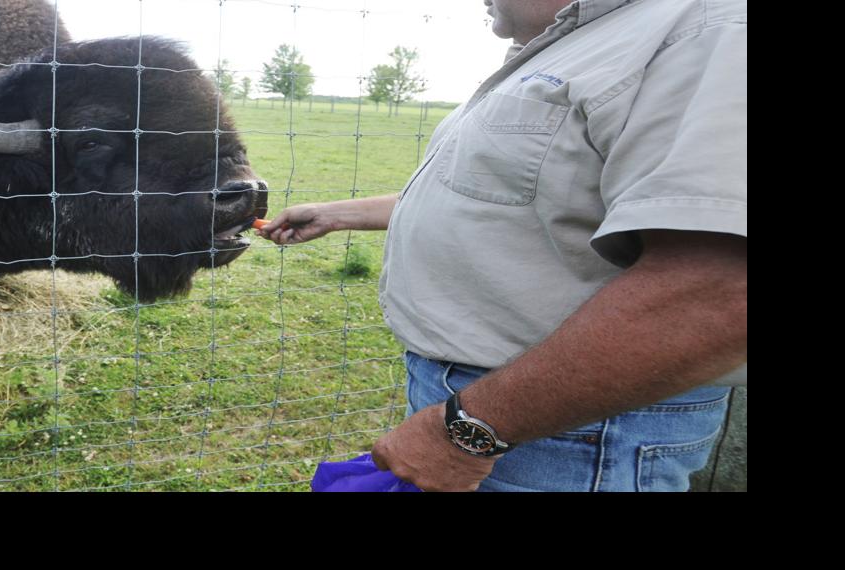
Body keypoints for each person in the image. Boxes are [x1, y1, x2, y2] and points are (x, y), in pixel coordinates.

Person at [259, 0, 747, 492]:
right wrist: (337, 215)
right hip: (513, 408)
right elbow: (507, 194)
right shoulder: (581, 45)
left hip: (568, 432)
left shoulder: (705, 35)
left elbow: (720, 291)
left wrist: (468, 431)